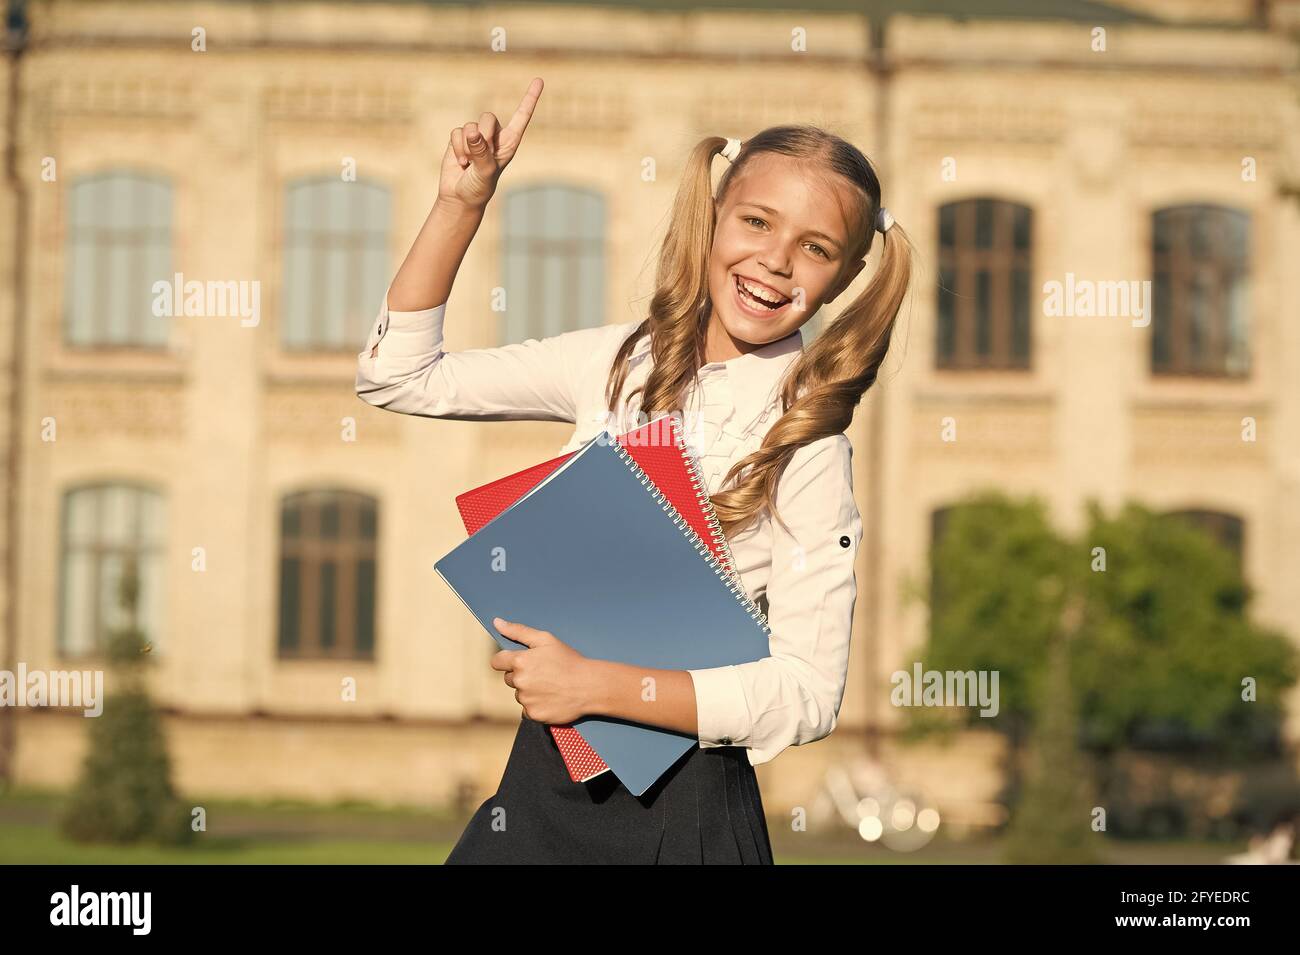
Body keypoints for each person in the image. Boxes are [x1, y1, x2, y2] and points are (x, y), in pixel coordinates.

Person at [354, 77, 914, 863]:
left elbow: (808, 695)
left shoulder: (809, 443)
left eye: (815, 248)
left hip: (682, 809)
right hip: (544, 777)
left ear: (847, 276)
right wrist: (462, 205)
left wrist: (596, 687)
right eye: (756, 221)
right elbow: (398, 376)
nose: (776, 262)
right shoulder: (617, 361)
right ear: (714, 215)